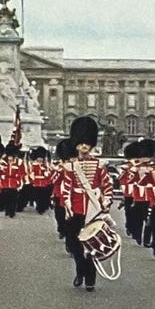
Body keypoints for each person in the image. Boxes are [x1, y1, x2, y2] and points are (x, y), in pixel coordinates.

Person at [58, 116, 114, 293]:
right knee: (75, 244)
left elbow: (107, 185)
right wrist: (67, 203)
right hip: (76, 207)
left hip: (92, 209)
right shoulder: (71, 167)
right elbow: (66, 186)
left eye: (86, 143)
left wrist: (106, 201)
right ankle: (80, 271)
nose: (84, 146)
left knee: (91, 245)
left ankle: (90, 278)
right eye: (81, 143)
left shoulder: (99, 165)